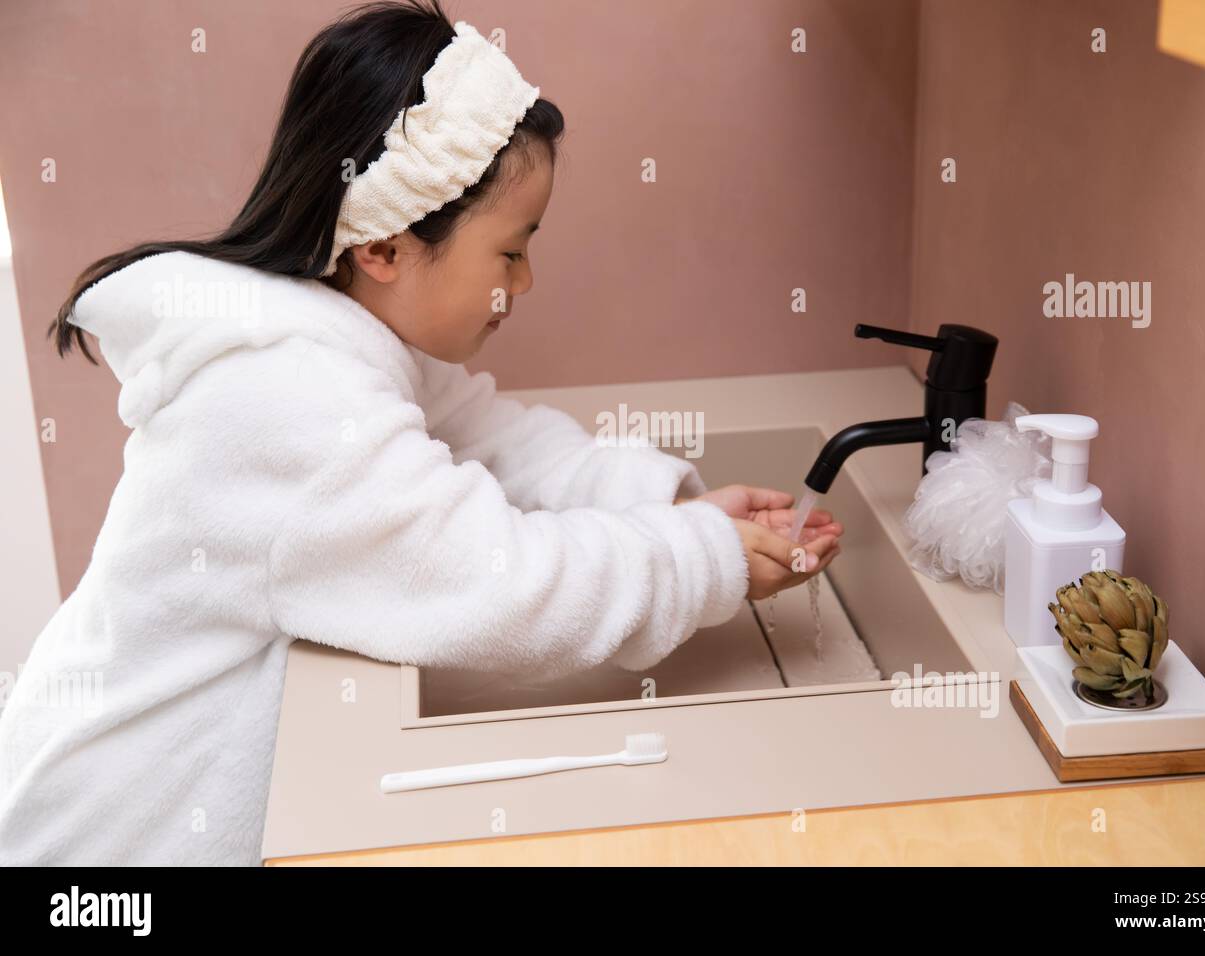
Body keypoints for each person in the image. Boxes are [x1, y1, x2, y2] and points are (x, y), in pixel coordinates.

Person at [0, 0, 841, 865]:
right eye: (510, 251)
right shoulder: (290, 403)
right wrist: (701, 560)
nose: (526, 280)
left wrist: (672, 505)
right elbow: (505, 588)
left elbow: (495, 441)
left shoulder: (332, 330)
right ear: (386, 248)